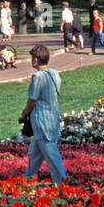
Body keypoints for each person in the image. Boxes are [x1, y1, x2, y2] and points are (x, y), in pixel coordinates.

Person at [19, 45, 65, 188]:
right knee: (35, 152)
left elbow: (31, 100)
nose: (31, 60)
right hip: (53, 116)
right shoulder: (54, 73)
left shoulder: (37, 77)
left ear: (37, 60)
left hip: (42, 120)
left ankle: (60, 180)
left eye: (32, 58)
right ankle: (28, 176)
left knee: (50, 151)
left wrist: (24, 114)